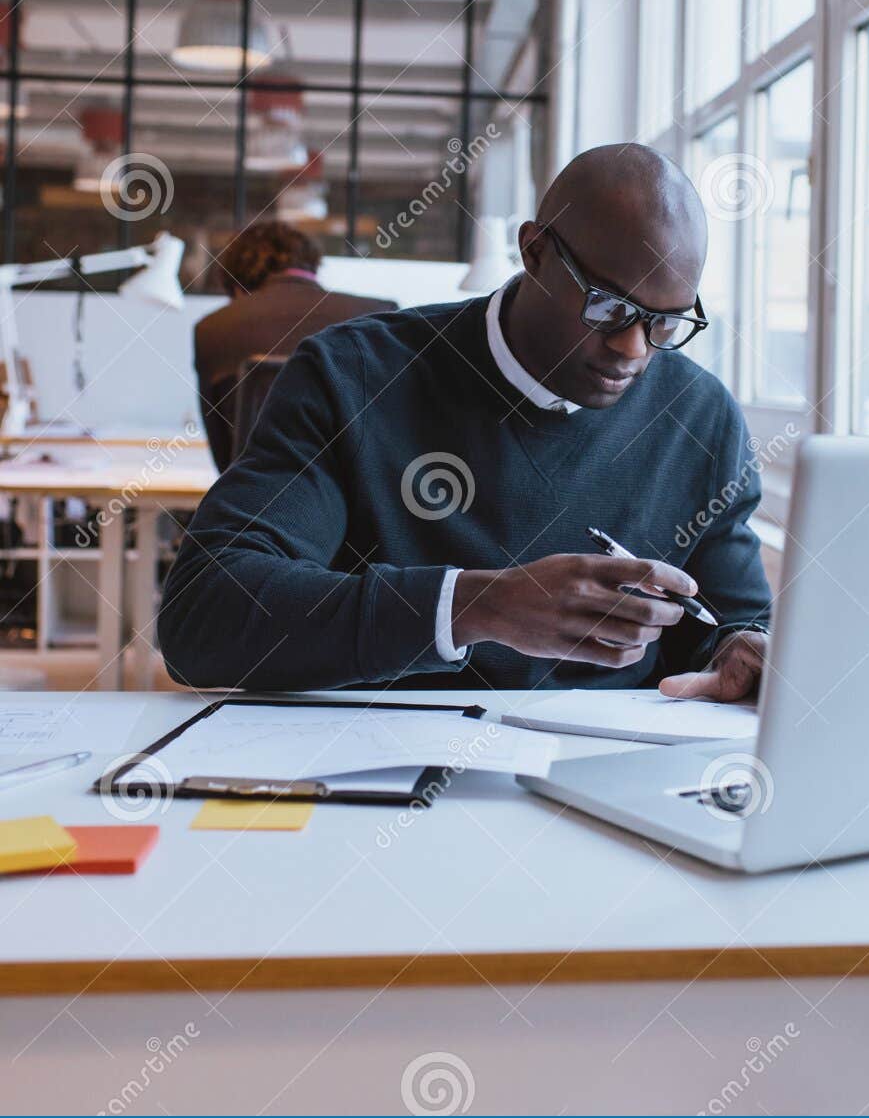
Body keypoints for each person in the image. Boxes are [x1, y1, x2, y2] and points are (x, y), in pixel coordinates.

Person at [160, 146, 771, 703]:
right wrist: (473, 606)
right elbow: (203, 615)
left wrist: (742, 653)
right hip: (377, 755)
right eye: (608, 306)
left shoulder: (701, 418)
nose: (634, 348)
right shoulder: (354, 376)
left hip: (608, 763)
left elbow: (732, 624)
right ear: (534, 252)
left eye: (666, 321)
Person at [193, 221, 397, 471]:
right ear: (312, 265)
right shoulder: (379, 315)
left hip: (259, 489)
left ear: (237, 288)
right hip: (356, 489)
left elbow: (225, 458)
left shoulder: (213, 328)